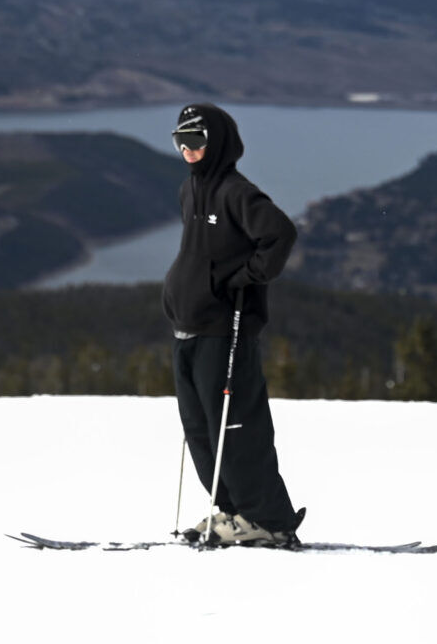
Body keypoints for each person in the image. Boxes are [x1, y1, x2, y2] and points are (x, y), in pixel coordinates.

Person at [162, 103, 303, 549]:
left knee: (236, 425)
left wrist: (248, 277)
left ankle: (268, 518)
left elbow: (280, 234)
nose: (188, 149)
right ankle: (232, 511)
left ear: (217, 140)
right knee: (200, 428)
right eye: (180, 140)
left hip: (225, 328)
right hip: (188, 326)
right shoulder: (191, 190)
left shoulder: (236, 192)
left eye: (197, 139)